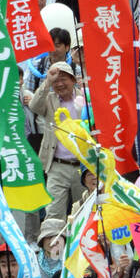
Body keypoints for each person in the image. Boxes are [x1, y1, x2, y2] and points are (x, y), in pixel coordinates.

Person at [23, 61, 87, 224]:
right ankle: (53, 248)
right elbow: (34, 105)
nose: (59, 84)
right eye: (56, 80)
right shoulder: (50, 98)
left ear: (73, 80)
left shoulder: (84, 97)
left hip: (82, 166)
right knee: (53, 213)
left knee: (83, 214)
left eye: (63, 79)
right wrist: (47, 82)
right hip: (57, 166)